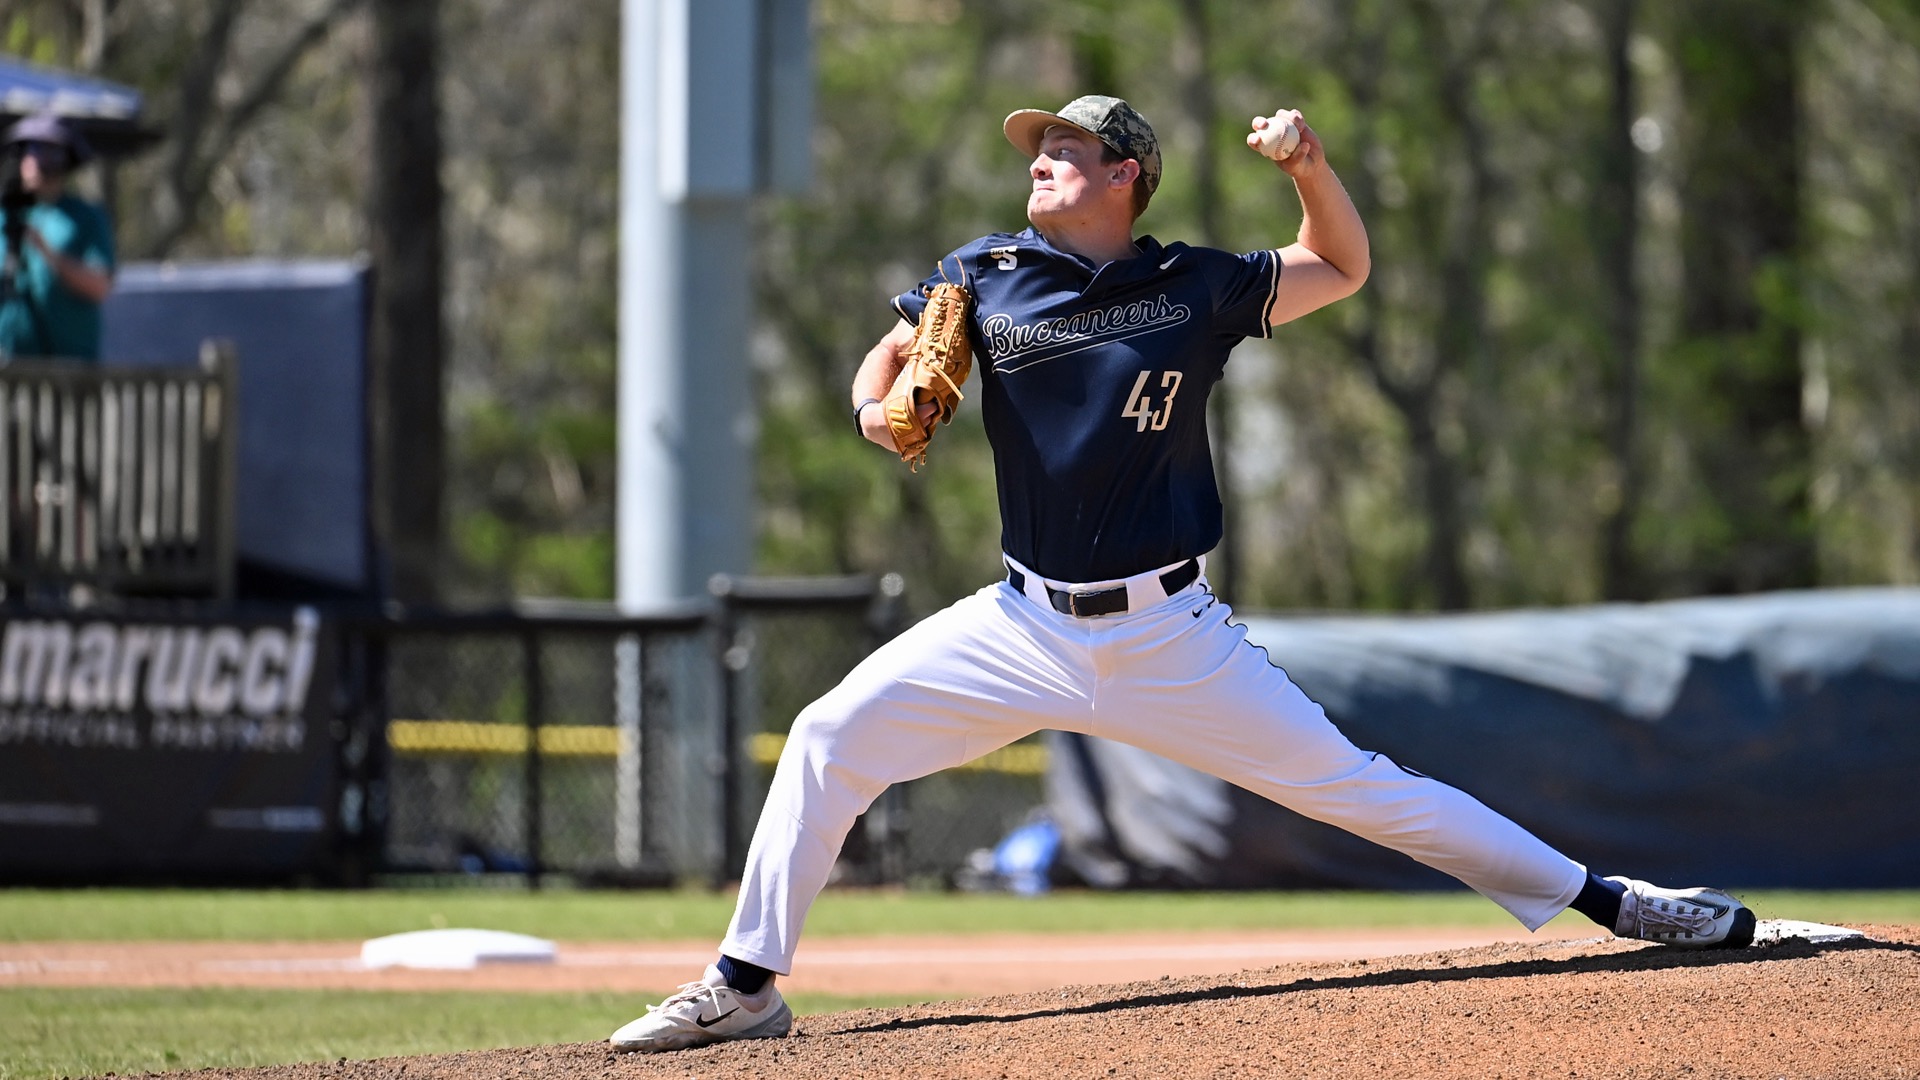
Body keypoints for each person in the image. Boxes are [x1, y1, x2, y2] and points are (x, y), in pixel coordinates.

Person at [609, 95, 1754, 1054]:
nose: (1043, 160)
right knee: (826, 737)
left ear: (1128, 175)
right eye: (1038, 149)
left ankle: (1612, 900)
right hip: (1022, 623)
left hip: (1171, 635)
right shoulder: (986, 273)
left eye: (1067, 149)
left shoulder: (1191, 287)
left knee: (1366, 789)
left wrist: (1309, 165)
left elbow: (1342, 265)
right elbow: (902, 347)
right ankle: (748, 987)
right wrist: (873, 402)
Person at [0, 111, 115, 362]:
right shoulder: (5, 215)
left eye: (51, 152)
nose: (39, 161)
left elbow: (100, 287)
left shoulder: (84, 217)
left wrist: (47, 252)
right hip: (11, 365)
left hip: (70, 366)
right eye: (33, 150)